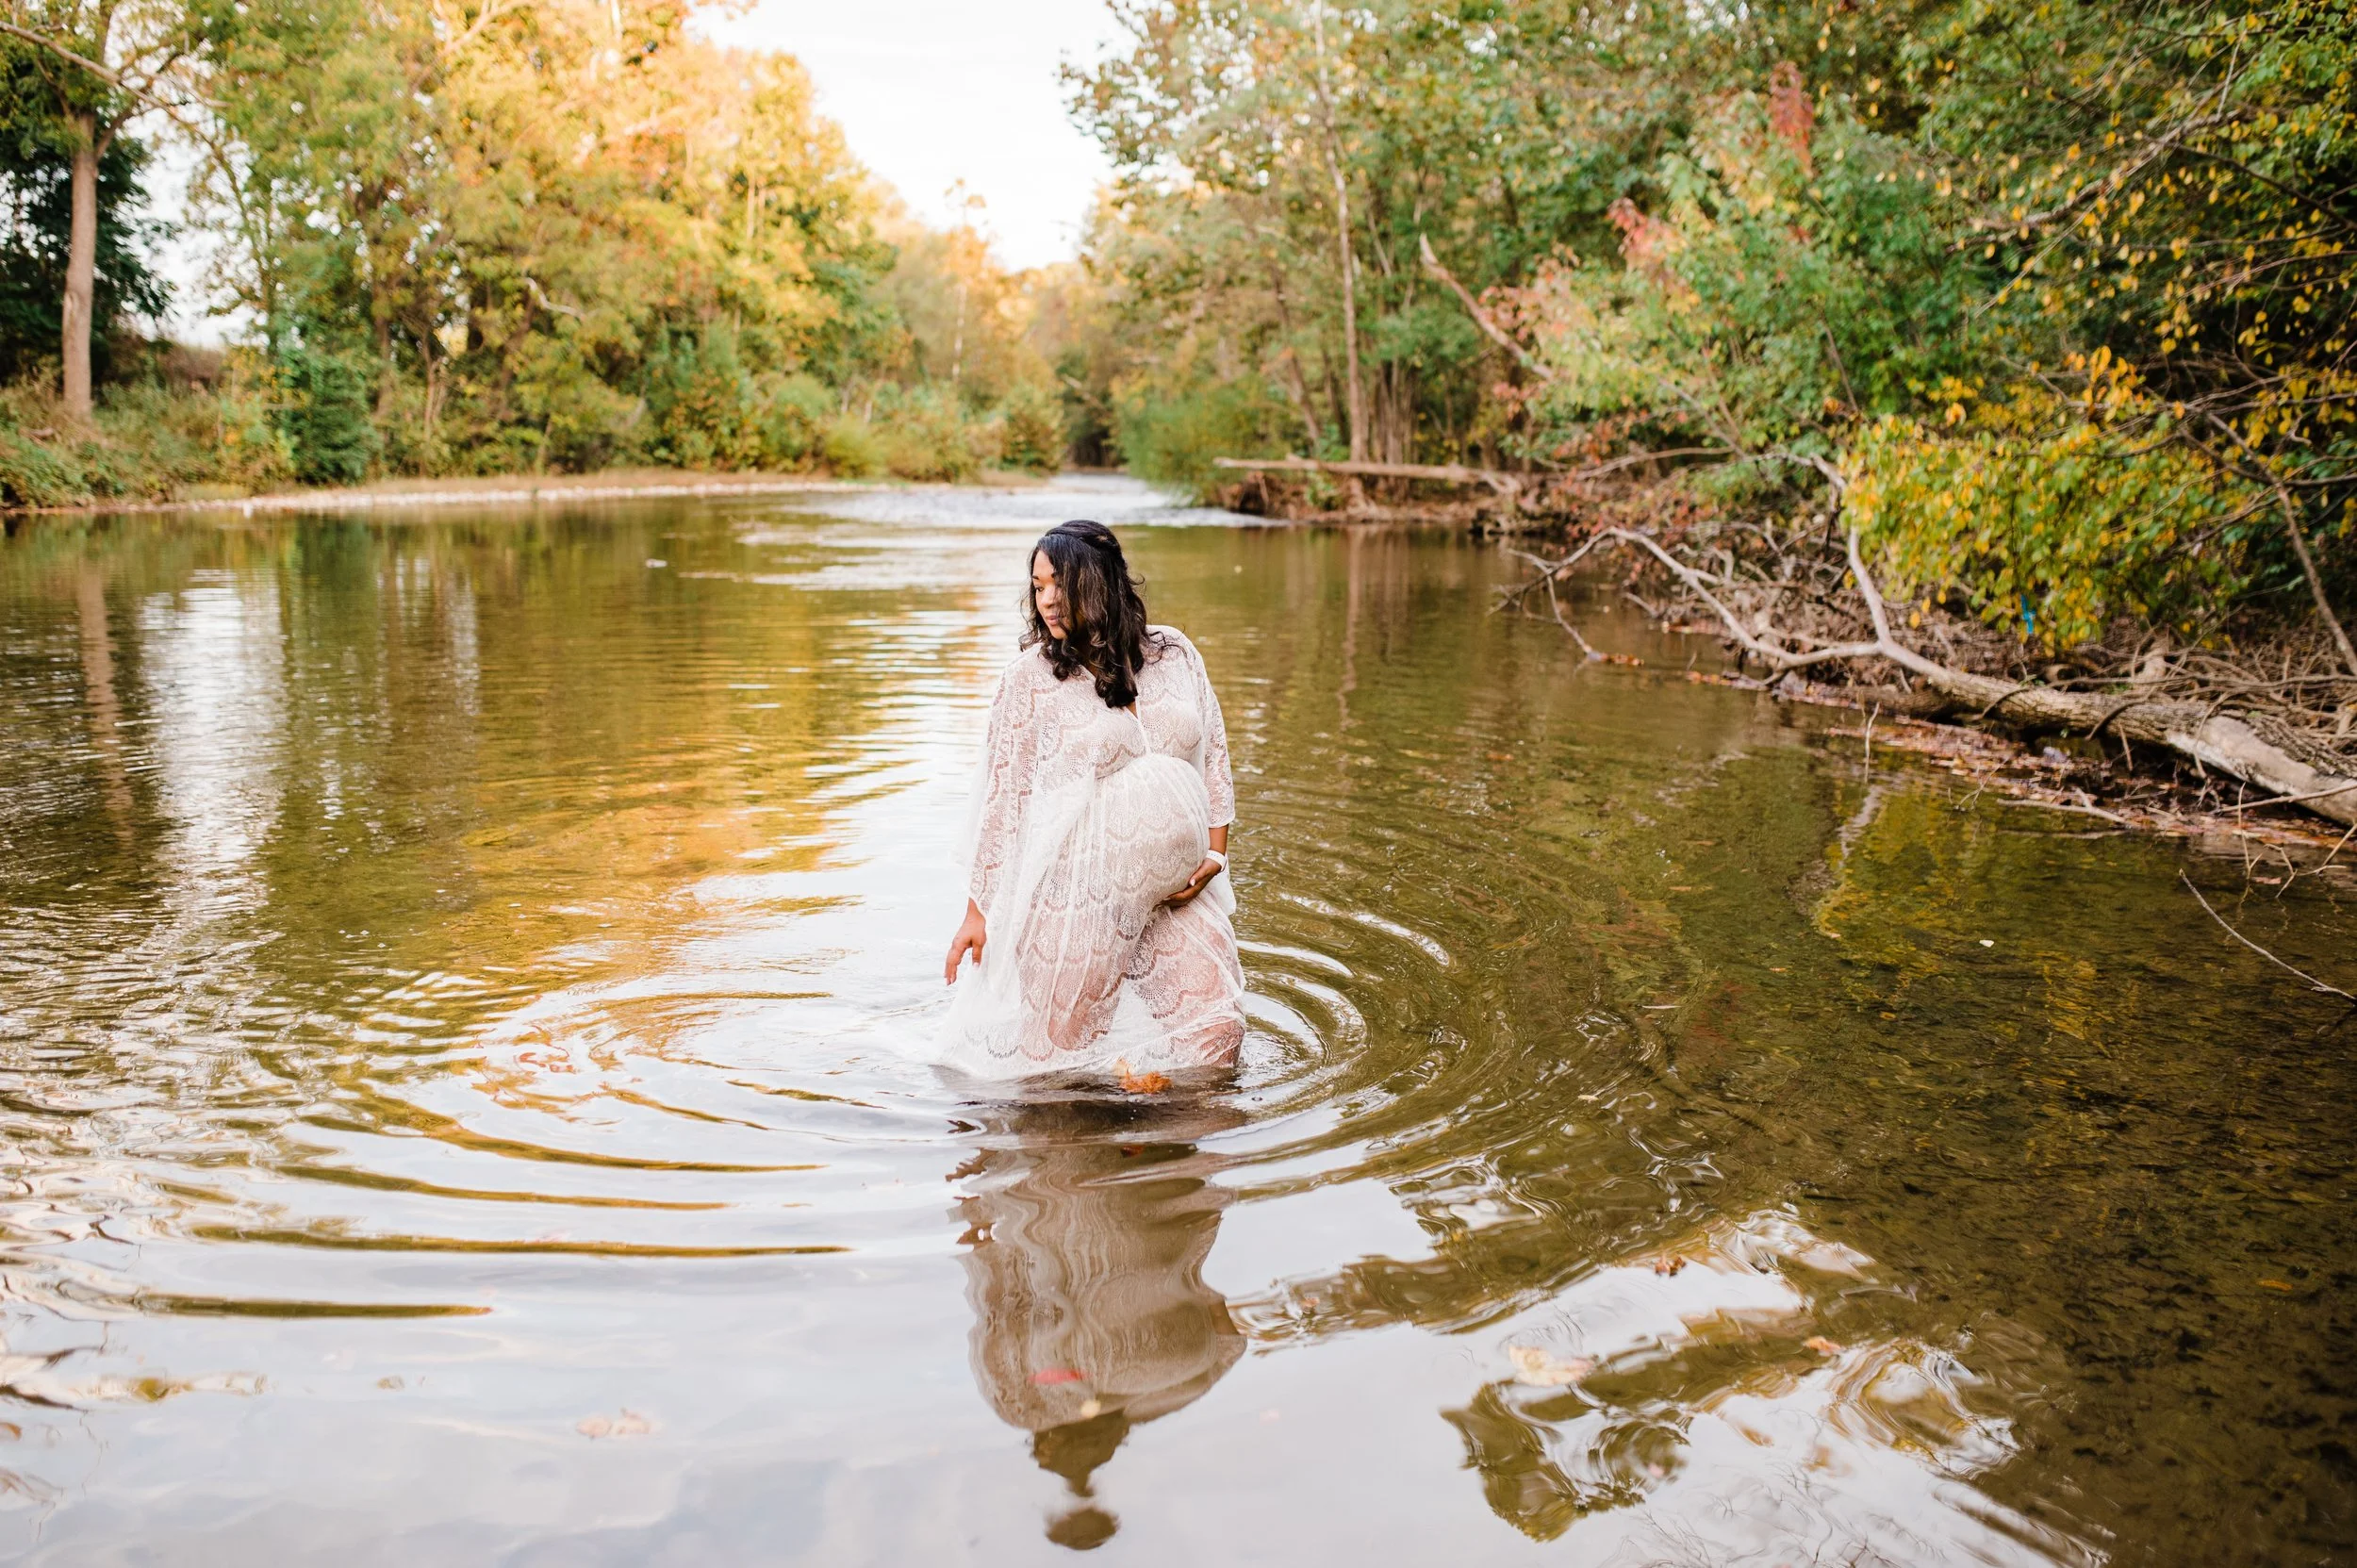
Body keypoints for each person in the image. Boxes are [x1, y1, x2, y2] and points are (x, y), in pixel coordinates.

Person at [939, 520, 1245, 1077]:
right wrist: (976, 912)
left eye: (1060, 583)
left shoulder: (1174, 653)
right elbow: (1005, 798)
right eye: (1038, 586)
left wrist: (1215, 856)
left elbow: (1216, 755)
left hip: (1177, 895)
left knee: (1217, 1038)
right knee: (1055, 1067)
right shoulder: (1030, 679)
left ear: (1101, 583)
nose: (1048, 601)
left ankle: (1167, 1156)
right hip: (1080, 893)